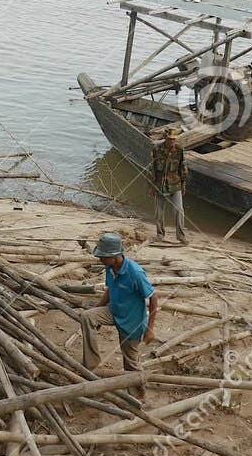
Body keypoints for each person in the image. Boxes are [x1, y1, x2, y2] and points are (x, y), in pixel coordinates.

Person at [79, 232, 157, 384]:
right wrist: (97, 310)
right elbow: (109, 290)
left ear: (115, 256)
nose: (100, 259)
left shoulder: (135, 273)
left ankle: (138, 396)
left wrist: (150, 328)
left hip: (131, 321)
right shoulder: (110, 268)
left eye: (102, 256)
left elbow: (153, 297)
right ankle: (91, 365)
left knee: (131, 363)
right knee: (86, 316)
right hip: (113, 311)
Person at [149, 126, 189, 244]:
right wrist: (151, 186)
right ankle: (160, 234)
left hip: (175, 184)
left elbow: (183, 168)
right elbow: (152, 169)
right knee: (159, 211)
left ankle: (181, 236)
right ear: (165, 138)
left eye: (174, 139)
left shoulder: (179, 150)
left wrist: (183, 185)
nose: (172, 141)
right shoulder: (157, 149)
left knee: (179, 210)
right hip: (160, 184)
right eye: (170, 139)